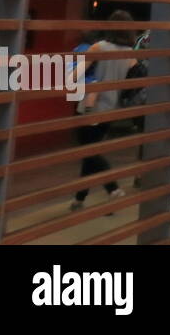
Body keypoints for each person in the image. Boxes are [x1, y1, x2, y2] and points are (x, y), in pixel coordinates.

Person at [70, 26, 136, 211]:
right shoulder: (129, 53)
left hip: (91, 105)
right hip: (111, 106)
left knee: (90, 151)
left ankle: (113, 189)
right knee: (89, 152)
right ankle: (79, 198)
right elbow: (133, 74)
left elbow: (75, 74)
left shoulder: (98, 48)